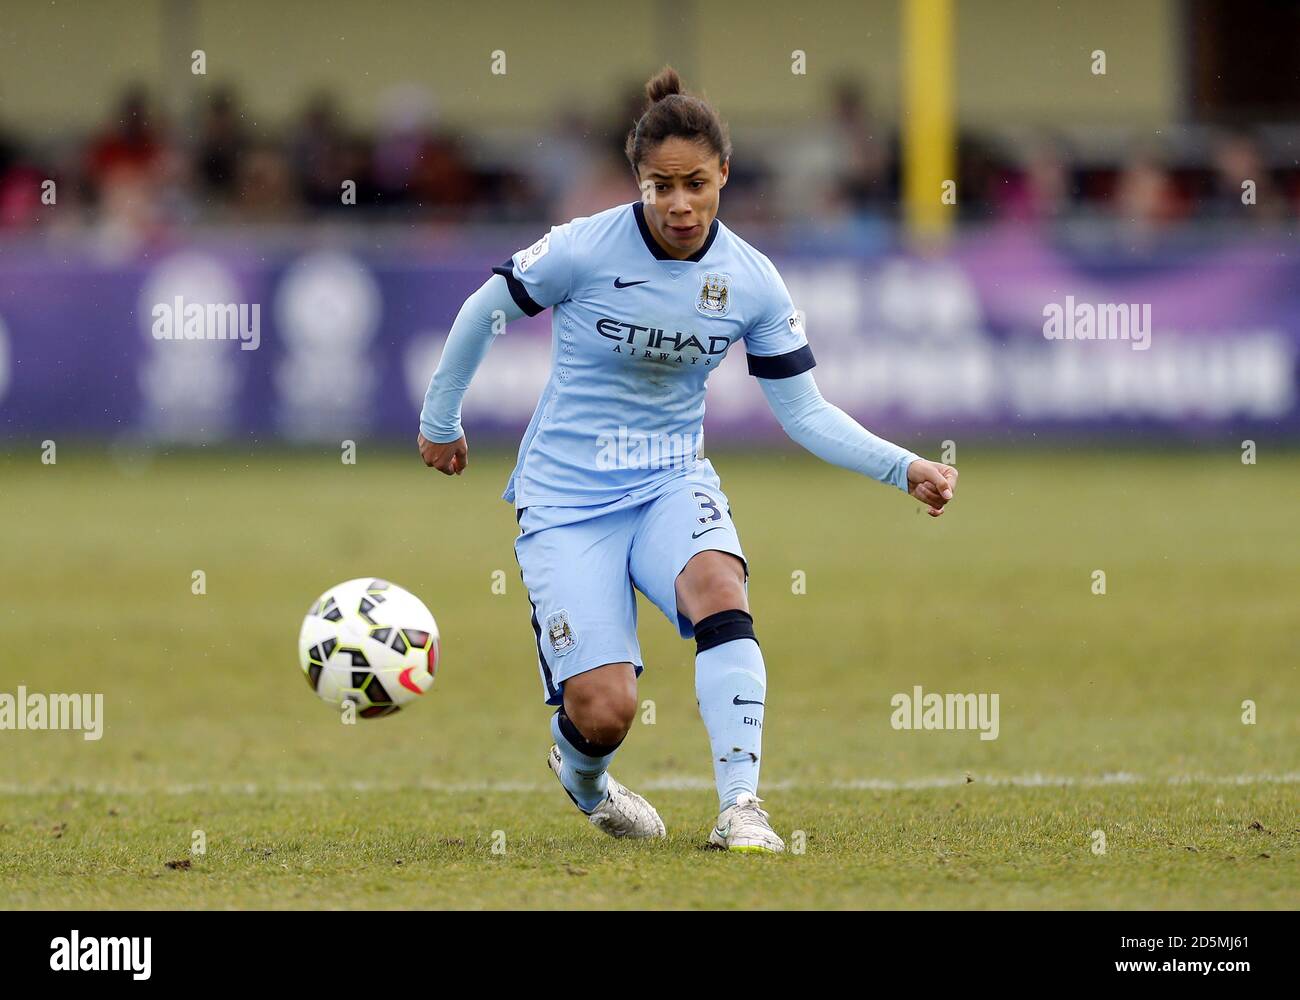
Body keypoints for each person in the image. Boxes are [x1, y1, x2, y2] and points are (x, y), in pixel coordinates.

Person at [418, 67, 957, 853]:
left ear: (724, 176)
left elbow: (802, 410)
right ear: (638, 180)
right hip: (567, 501)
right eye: (660, 185)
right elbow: (483, 309)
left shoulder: (751, 281)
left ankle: (742, 806)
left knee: (718, 585)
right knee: (607, 710)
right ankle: (585, 775)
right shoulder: (582, 247)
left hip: (672, 480)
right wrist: (441, 419)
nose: (678, 204)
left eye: (696, 184)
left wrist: (902, 467)